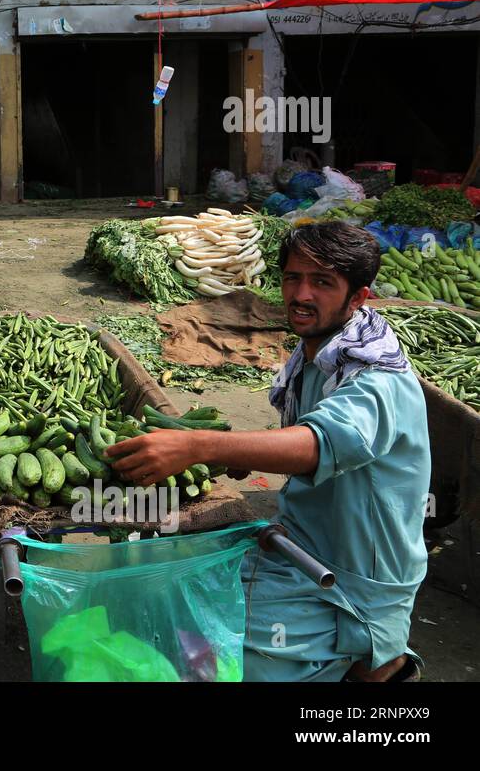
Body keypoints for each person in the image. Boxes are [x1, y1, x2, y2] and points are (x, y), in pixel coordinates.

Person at [106, 222, 428, 682]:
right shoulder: (321, 353)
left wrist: (198, 445)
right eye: (293, 277)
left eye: (322, 283)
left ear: (358, 298)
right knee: (170, 587)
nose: (301, 294)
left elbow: (319, 443)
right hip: (300, 541)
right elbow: (307, 438)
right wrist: (243, 453)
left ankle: (378, 662)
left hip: (352, 578)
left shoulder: (378, 380)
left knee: (212, 648)